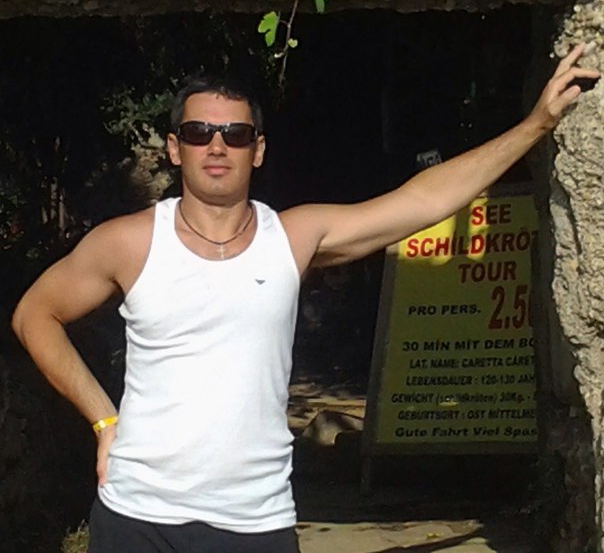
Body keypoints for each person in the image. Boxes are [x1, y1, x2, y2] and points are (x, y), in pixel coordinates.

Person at [11, 44, 598, 553]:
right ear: (174, 147)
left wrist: (535, 125)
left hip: (255, 520)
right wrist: (104, 419)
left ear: (257, 150)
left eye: (235, 135)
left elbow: (421, 202)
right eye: (198, 133)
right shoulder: (128, 242)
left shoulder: (291, 238)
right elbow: (35, 313)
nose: (216, 146)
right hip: (139, 517)